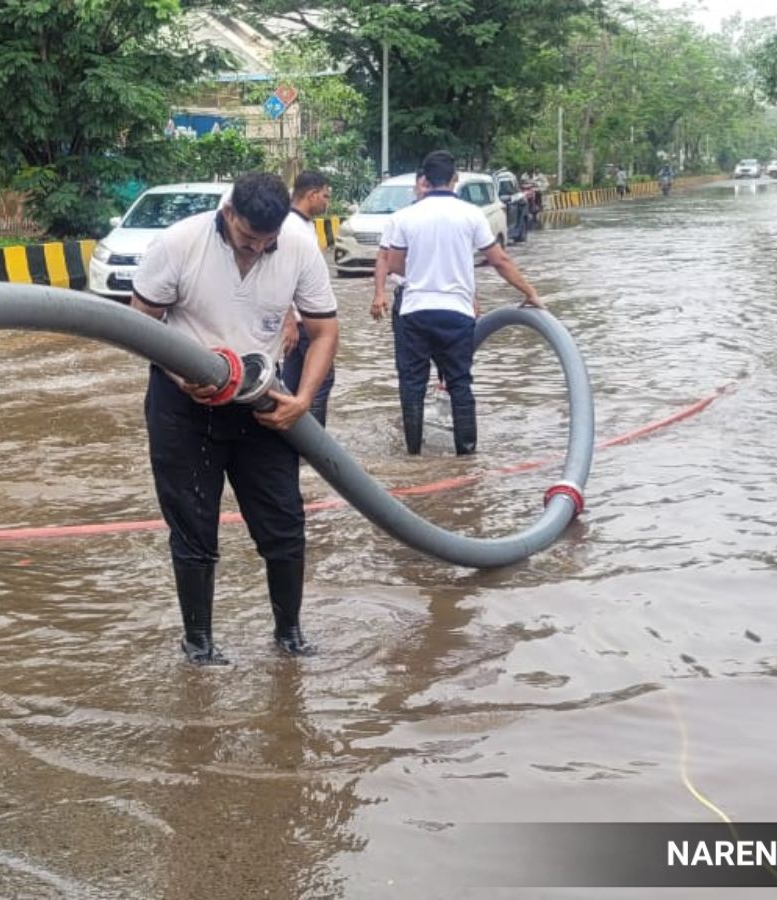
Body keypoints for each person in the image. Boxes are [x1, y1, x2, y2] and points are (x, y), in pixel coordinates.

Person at [130, 172, 339, 666]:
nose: (256, 251)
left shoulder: (296, 246)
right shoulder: (180, 243)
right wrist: (183, 376)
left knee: (285, 524)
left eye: (267, 244)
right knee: (194, 529)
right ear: (229, 214)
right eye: (248, 239)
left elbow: (325, 331)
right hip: (184, 404)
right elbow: (139, 326)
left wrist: (303, 398)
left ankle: (289, 635)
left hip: (264, 403)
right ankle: (198, 644)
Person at [370, 150, 543, 456]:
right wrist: (529, 292)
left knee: (412, 384)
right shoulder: (471, 214)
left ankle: (412, 453)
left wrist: (425, 275)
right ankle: (467, 456)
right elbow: (499, 260)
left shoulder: (404, 217)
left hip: (414, 311)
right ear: (455, 180)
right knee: (459, 383)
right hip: (457, 313)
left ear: (424, 180)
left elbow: (394, 263)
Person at [280, 170, 336, 426]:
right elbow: (280, 272)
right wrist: (289, 317)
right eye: (325, 196)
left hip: (309, 321)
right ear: (312, 194)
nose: (327, 203)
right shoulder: (290, 228)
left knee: (292, 385)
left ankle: (292, 442)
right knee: (319, 380)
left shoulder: (302, 225)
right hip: (302, 324)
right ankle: (314, 445)